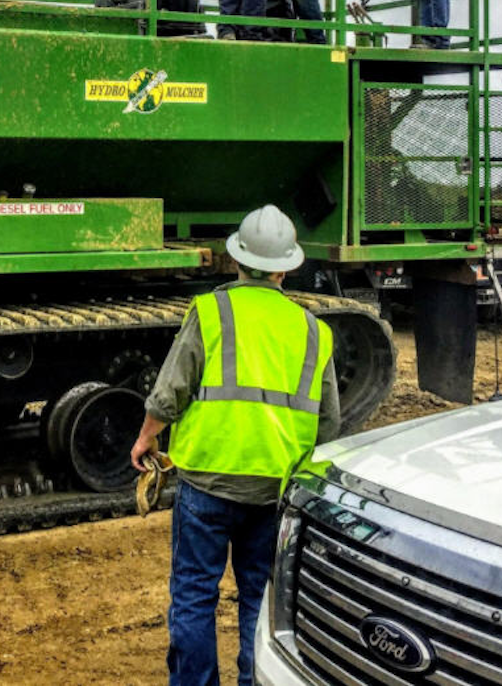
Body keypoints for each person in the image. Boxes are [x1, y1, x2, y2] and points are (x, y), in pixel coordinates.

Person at [131, 204, 340, 686]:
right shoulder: (314, 330)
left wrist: (146, 439)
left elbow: (170, 393)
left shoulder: (211, 311)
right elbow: (330, 426)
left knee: (194, 594)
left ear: (236, 259)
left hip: (206, 482)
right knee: (259, 600)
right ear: (286, 267)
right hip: (275, 489)